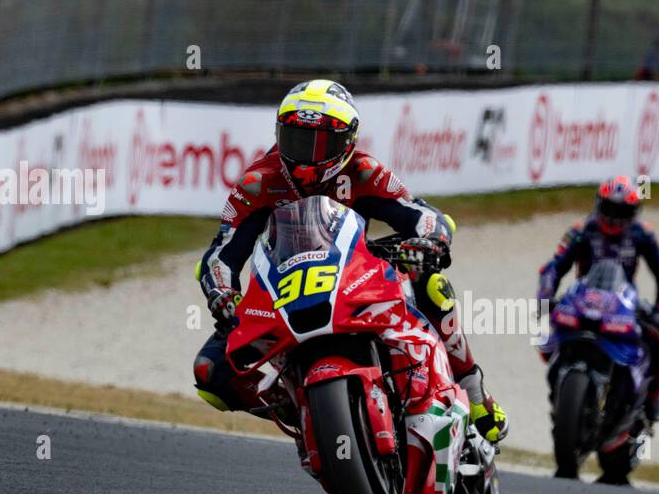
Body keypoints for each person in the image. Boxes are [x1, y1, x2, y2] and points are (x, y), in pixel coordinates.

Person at [192, 78, 508, 443]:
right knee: (210, 373)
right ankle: (305, 409)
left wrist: (430, 241)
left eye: (321, 142)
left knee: (431, 284)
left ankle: (473, 387)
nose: (307, 155)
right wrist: (222, 291)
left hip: (357, 277)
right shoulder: (257, 182)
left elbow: (423, 216)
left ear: (348, 141)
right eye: (296, 138)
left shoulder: (364, 171)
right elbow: (221, 254)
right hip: (285, 290)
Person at [537, 175, 659, 422]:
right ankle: (560, 387)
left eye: (621, 211)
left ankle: (653, 396)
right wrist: (546, 297)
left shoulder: (643, 234)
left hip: (625, 303)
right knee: (547, 338)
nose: (613, 217)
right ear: (599, 205)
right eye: (609, 209)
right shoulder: (580, 231)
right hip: (583, 298)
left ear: (633, 212)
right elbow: (553, 268)